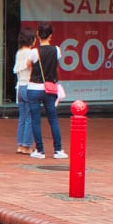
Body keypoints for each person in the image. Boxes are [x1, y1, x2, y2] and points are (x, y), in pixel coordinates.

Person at [25, 23, 67, 159]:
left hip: (34, 88)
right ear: (50, 35)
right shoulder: (57, 50)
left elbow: (28, 65)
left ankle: (40, 150)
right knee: (53, 119)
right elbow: (56, 65)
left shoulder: (34, 52)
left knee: (36, 120)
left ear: (38, 34)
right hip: (50, 88)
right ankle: (58, 150)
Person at [12, 29, 37, 155]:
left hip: (20, 87)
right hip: (29, 86)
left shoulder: (19, 52)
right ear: (31, 40)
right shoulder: (31, 53)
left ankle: (20, 145)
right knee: (30, 117)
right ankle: (27, 145)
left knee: (22, 117)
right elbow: (31, 66)